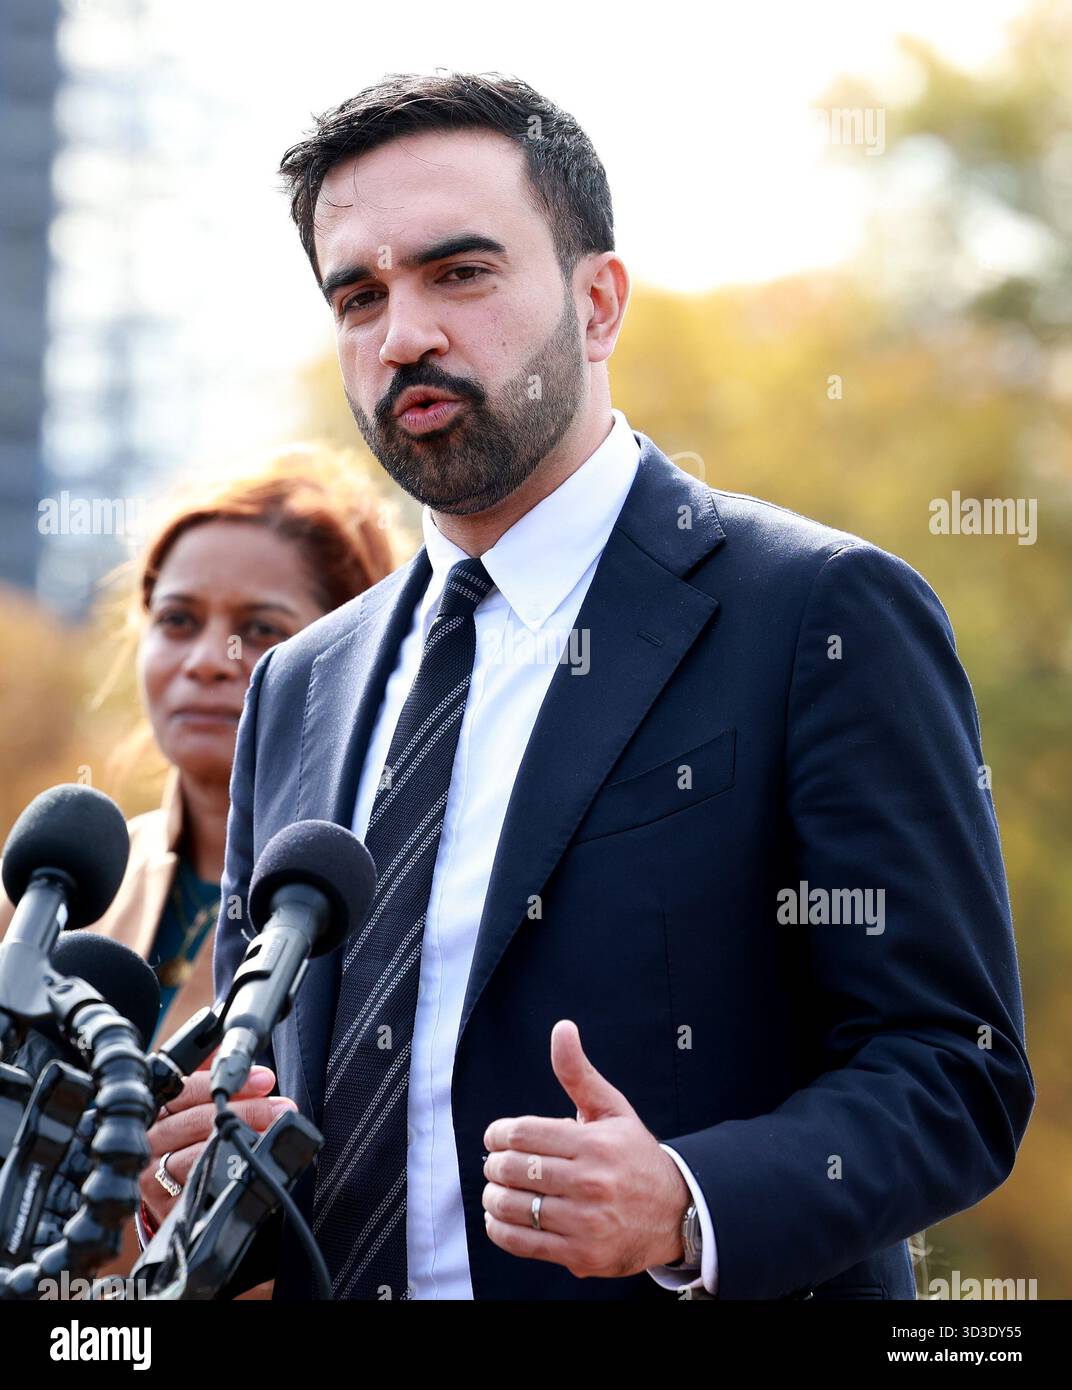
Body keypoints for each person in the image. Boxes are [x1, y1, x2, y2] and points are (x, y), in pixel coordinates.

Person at [154, 72, 1032, 1301]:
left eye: (459, 273)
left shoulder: (818, 614)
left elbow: (955, 1067)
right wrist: (209, 1172)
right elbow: (303, 1130)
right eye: (360, 294)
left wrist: (688, 1202)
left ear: (599, 301)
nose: (403, 331)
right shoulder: (299, 686)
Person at [0, 444, 403, 1293]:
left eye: (261, 629)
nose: (207, 660)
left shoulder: (393, 899)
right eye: (177, 620)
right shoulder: (68, 886)